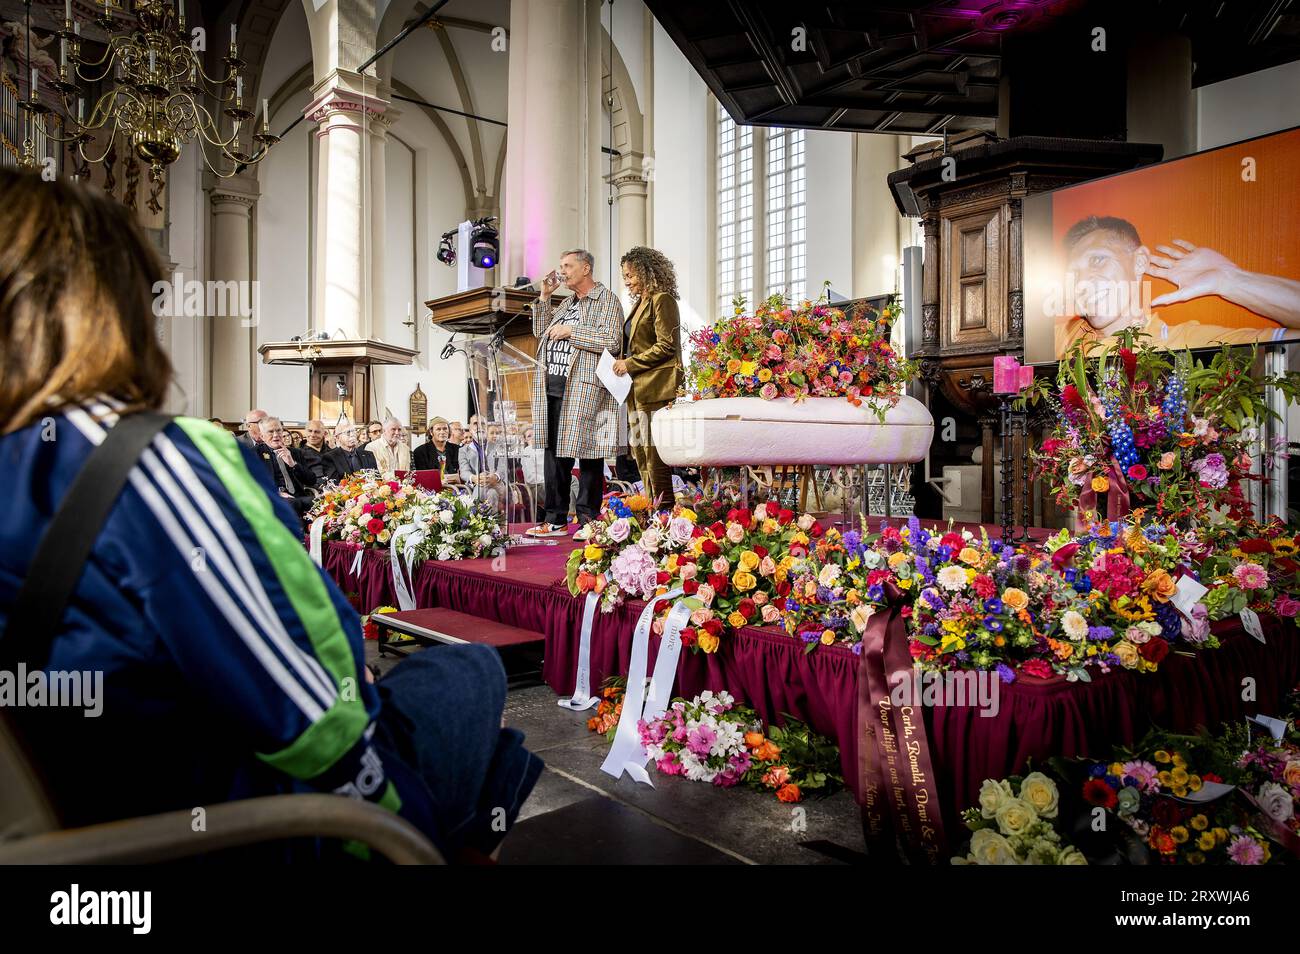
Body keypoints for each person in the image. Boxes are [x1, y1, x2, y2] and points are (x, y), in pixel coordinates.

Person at [0, 171, 540, 861]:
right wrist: (393, 811)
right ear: (113, 310)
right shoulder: (146, 460)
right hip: (224, 826)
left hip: (84, 808)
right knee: (471, 677)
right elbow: (317, 720)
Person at [1054, 216, 1300, 355]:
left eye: (1098, 260)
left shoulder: (1185, 342)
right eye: (1074, 274)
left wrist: (1229, 280)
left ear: (1139, 262)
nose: (1082, 282)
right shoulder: (1063, 337)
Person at [525, 248, 624, 539]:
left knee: (590, 455)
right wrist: (544, 297)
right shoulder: (566, 302)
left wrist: (572, 331)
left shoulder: (606, 299)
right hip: (553, 387)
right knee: (554, 456)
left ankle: (589, 521)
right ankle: (554, 519)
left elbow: (613, 340)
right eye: (561, 265)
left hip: (586, 388)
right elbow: (540, 330)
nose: (562, 271)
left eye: (568, 266)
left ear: (586, 268)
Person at [612, 246, 683, 507]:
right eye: (625, 277)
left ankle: (664, 511)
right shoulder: (639, 304)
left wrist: (629, 363)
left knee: (654, 454)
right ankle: (652, 507)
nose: (628, 281)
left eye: (631, 275)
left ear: (646, 272)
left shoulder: (662, 299)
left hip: (656, 388)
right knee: (640, 453)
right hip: (635, 389)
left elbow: (666, 345)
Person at [254, 417, 318, 519]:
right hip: (274, 497)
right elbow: (252, 482)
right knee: (292, 504)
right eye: (271, 432)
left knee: (320, 502)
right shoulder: (255, 453)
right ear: (262, 436)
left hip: (298, 495)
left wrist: (293, 463)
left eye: (278, 430)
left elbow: (311, 480)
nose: (276, 435)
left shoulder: (295, 452)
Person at [458, 417, 509, 511]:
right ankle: (492, 523)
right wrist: (474, 478)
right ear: (470, 429)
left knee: (484, 487)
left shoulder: (498, 447)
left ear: (486, 428)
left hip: (497, 483)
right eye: (475, 423)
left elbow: (503, 468)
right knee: (491, 493)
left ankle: (472, 516)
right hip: (474, 485)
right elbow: (464, 472)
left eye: (482, 424)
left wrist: (495, 476)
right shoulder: (463, 450)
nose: (479, 426)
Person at [412, 416, 461, 483]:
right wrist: (439, 481)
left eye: (445, 429)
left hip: (455, 487)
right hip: (431, 489)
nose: (442, 432)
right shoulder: (420, 451)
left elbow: (462, 473)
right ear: (431, 432)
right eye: (438, 429)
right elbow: (422, 477)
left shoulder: (457, 449)